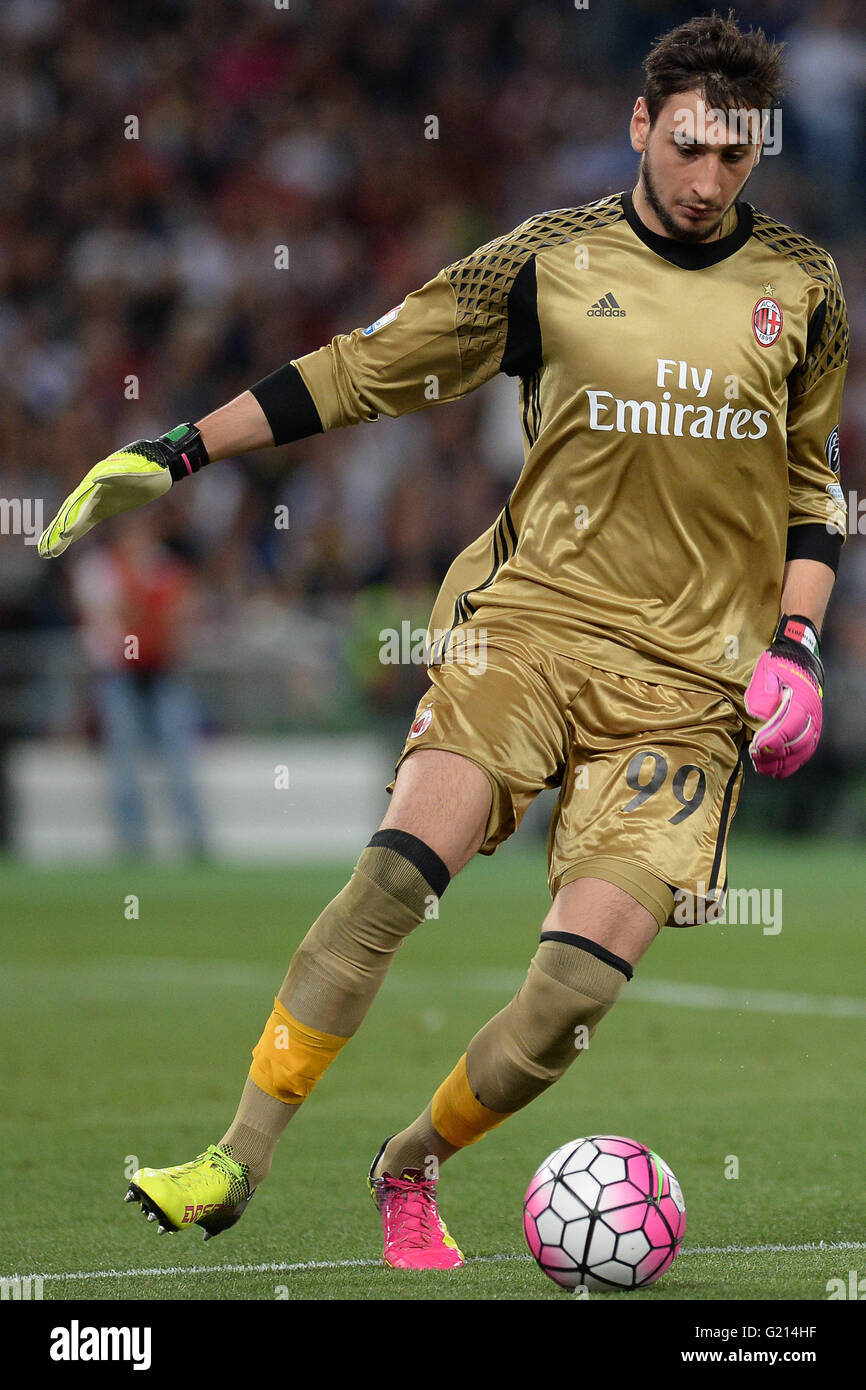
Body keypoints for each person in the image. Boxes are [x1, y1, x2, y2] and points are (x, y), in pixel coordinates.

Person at [40, 13, 847, 1268]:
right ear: (640, 125)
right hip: (524, 631)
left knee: (572, 997)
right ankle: (232, 1163)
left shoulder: (799, 285)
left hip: (690, 690)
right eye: (686, 146)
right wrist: (182, 446)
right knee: (395, 877)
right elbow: (369, 367)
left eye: (731, 159)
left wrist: (794, 643)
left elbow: (814, 487)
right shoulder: (546, 261)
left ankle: (409, 1161)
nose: (703, 181)